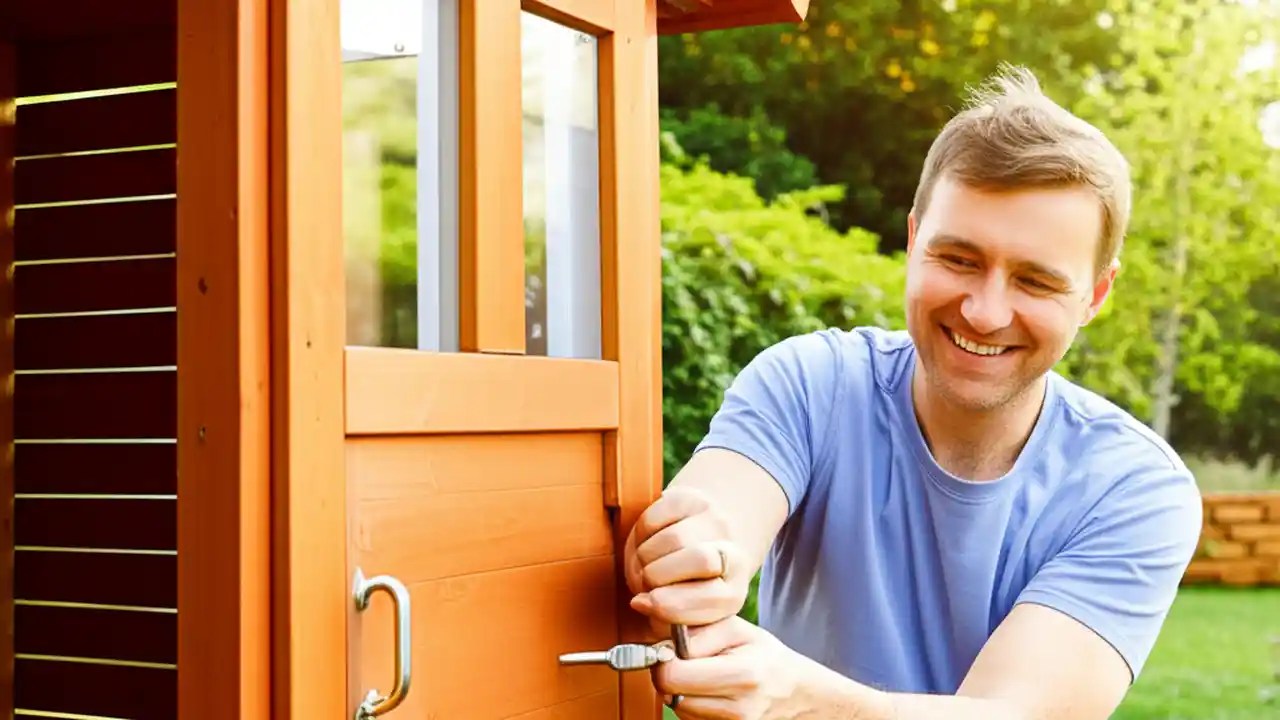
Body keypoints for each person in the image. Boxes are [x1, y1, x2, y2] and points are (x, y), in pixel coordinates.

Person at [623, 65, 1203, 719]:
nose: (985, 312)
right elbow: (722, 514)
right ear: (912, 240)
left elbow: (1019, 714)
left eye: (1035, 282)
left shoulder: (1133, 486)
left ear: (1095, 295)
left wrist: (804, 701)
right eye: (958, 259)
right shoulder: (813, 383)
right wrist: (699, 556)